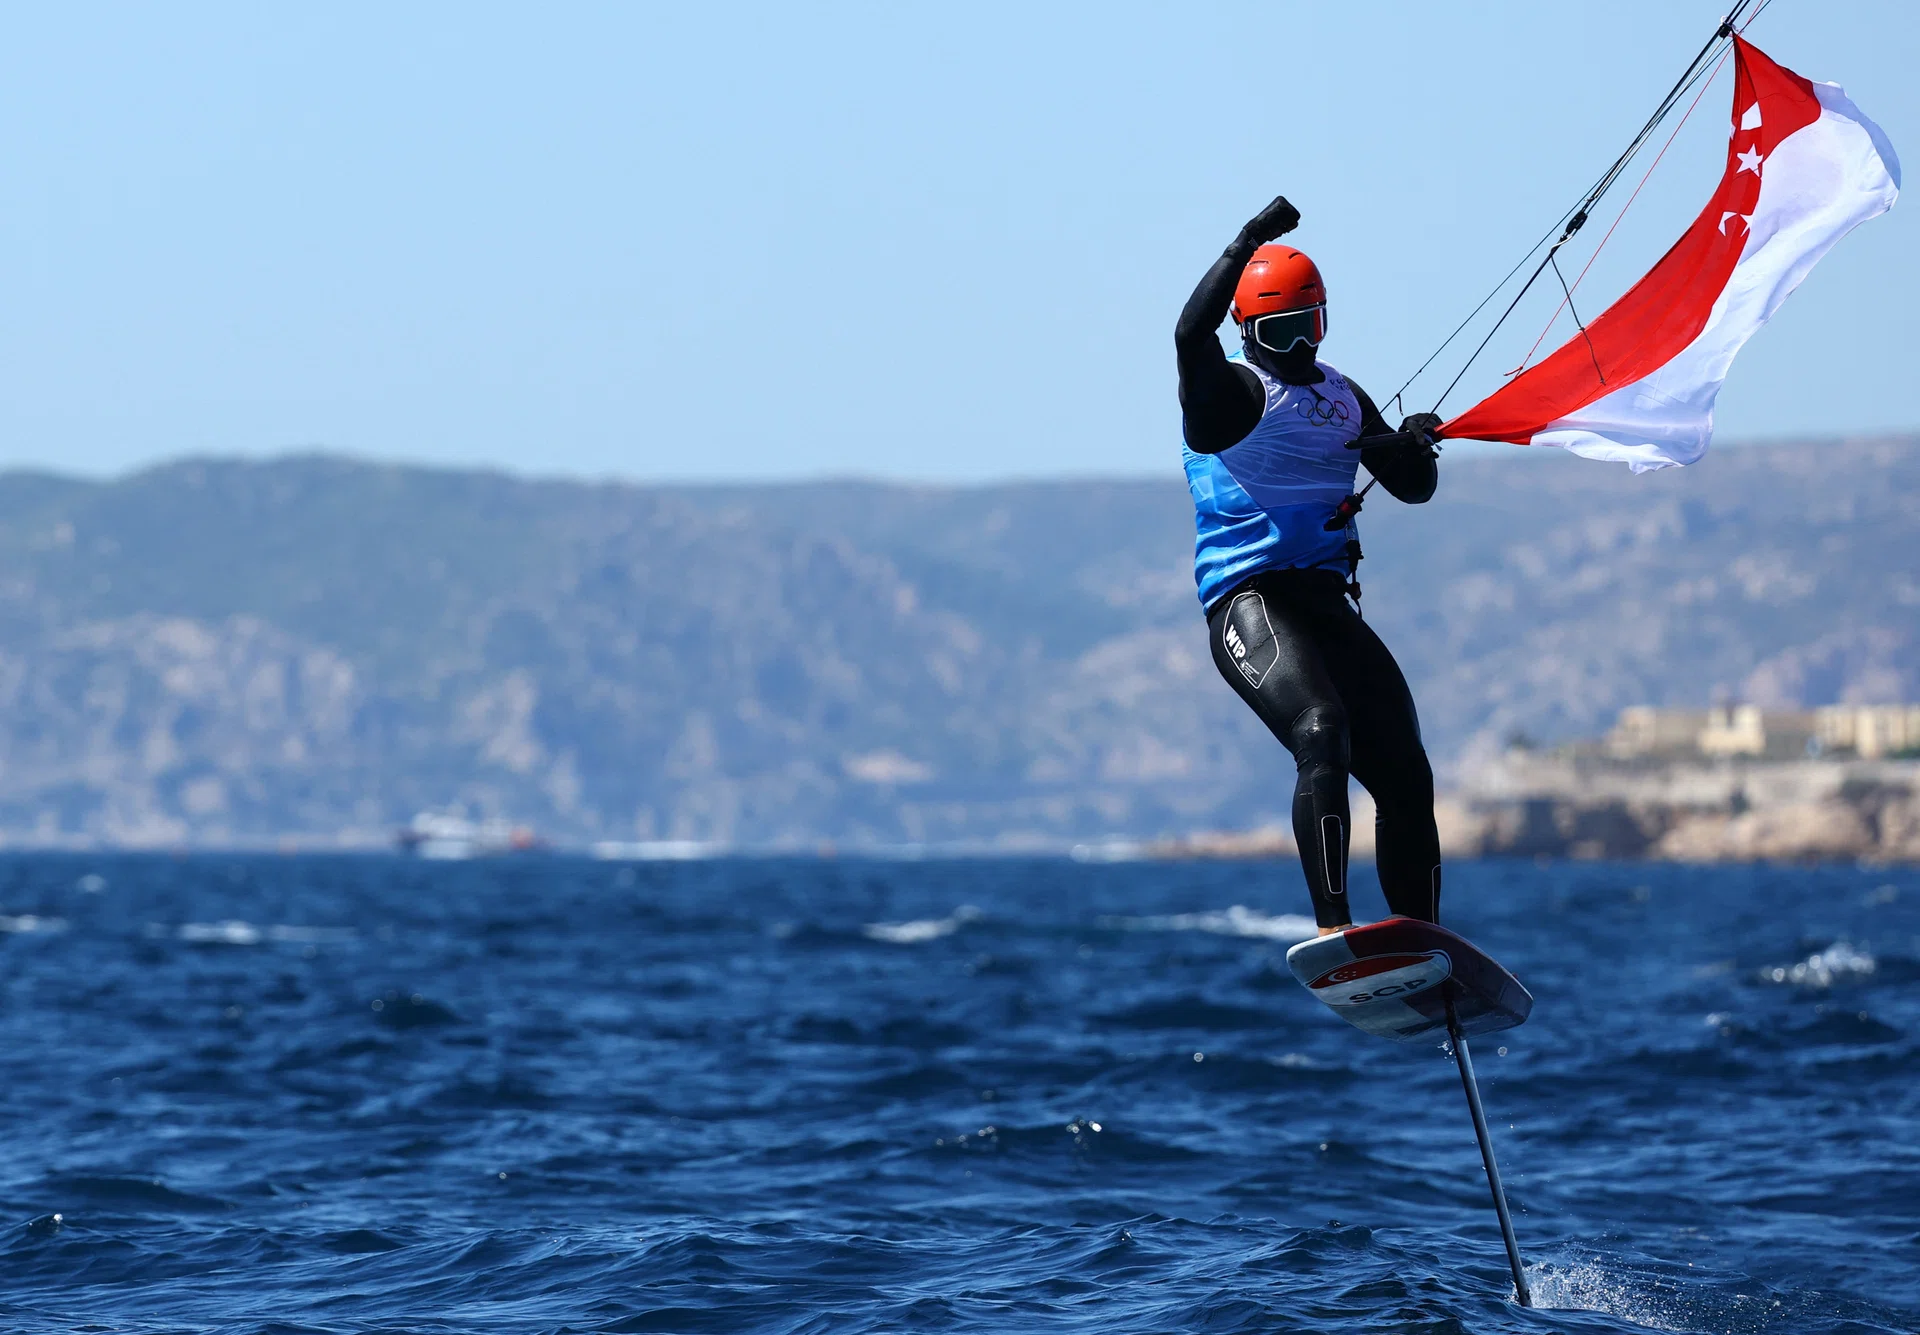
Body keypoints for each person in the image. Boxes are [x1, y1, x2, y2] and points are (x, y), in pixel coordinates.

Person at [1175, 195, 1444, 938]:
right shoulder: (1228, 395)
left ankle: (1420, 939)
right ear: (1250, 332)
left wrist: (1410, 445)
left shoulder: (1344, 398)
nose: (1298, 347)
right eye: (1280, 332)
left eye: (1310, 328)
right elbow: (1185, 334)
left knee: (1406, 770)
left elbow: (1415, 489)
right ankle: (1335, 928)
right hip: (1249, 602)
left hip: (1325, 605)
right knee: (1322, 729)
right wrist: (1246, 240)